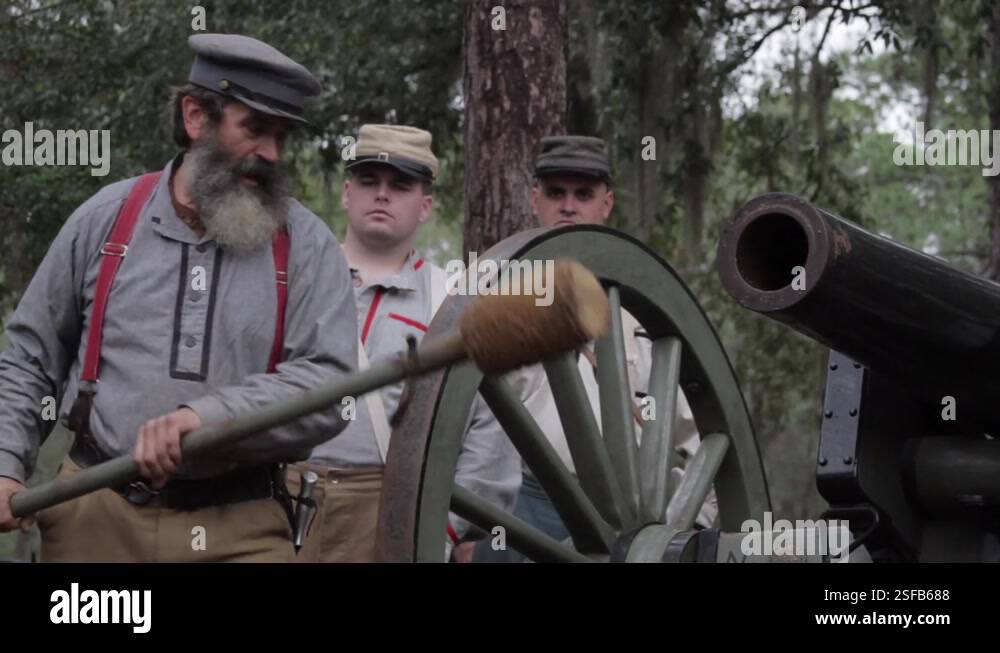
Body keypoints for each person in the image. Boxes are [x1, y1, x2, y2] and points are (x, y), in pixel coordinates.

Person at [0, 33, 358, 562]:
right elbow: (30, 358)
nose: (271, 154)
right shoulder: (105, 219)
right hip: (95, 517)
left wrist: (208, 416)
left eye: (282, 136)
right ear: (195, 116)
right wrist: (5, 463)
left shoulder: (306, 245)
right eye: (255, 128)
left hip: (241, 527)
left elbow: (330, 385)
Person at [285, 124, 519, 562]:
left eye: (400, 185)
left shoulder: (452, 303)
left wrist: (441, 528)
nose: (382, 194)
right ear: (346, 193)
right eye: (369, 181)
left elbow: (491, 433)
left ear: (425, 205)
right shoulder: (296, 283)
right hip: (280, 501)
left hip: (390, 512)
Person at [475, 135, 715, 562]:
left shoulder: (643, 321)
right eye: (555, 193)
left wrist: (692, 526)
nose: (568, 205)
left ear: (607, 203)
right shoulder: (496, 302)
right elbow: (462, 427)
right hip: (526, 516)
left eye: (583, 194)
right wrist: (463, 534)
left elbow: (699, 429)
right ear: (535, 199)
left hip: (634, 530)